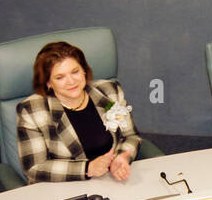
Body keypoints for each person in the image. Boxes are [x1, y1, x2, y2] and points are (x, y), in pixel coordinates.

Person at [16, 41, 141, 183]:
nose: (71, 81)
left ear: (84, 70)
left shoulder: (109, 91)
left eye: (75, 72)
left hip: (112, 179)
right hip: (64, 186)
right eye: (60, 77)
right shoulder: (32, 110)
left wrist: (121, 157)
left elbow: (130, 136)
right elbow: (34, 167)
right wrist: (87, 168)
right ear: (48, 83)